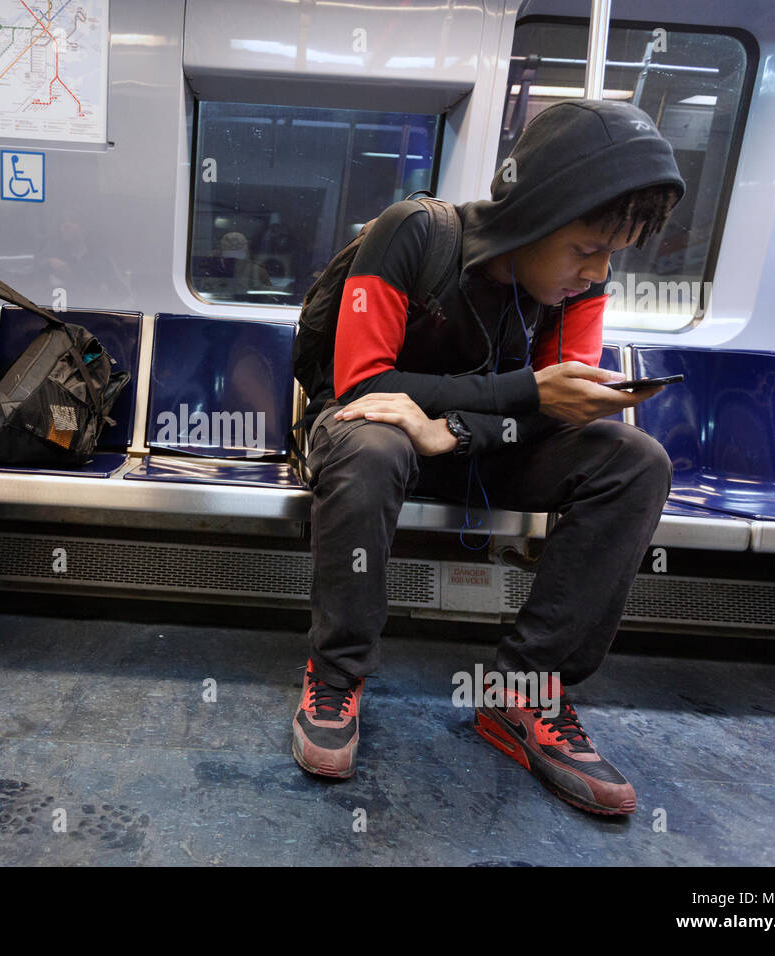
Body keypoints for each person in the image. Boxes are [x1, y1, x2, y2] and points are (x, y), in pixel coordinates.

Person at [291, 100, 686, 816]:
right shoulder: (412, 234)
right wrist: (521, 392)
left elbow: (557, 411)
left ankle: (524, 694)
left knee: (634, 459)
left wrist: (464, 431)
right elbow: (364, 384)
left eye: (611, 255)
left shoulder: (580, 290)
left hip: (477, 448)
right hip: (369, 435)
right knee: (374, 440)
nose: (597, 272)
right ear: (535, 215)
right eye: (585, 247)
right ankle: (337, 671)